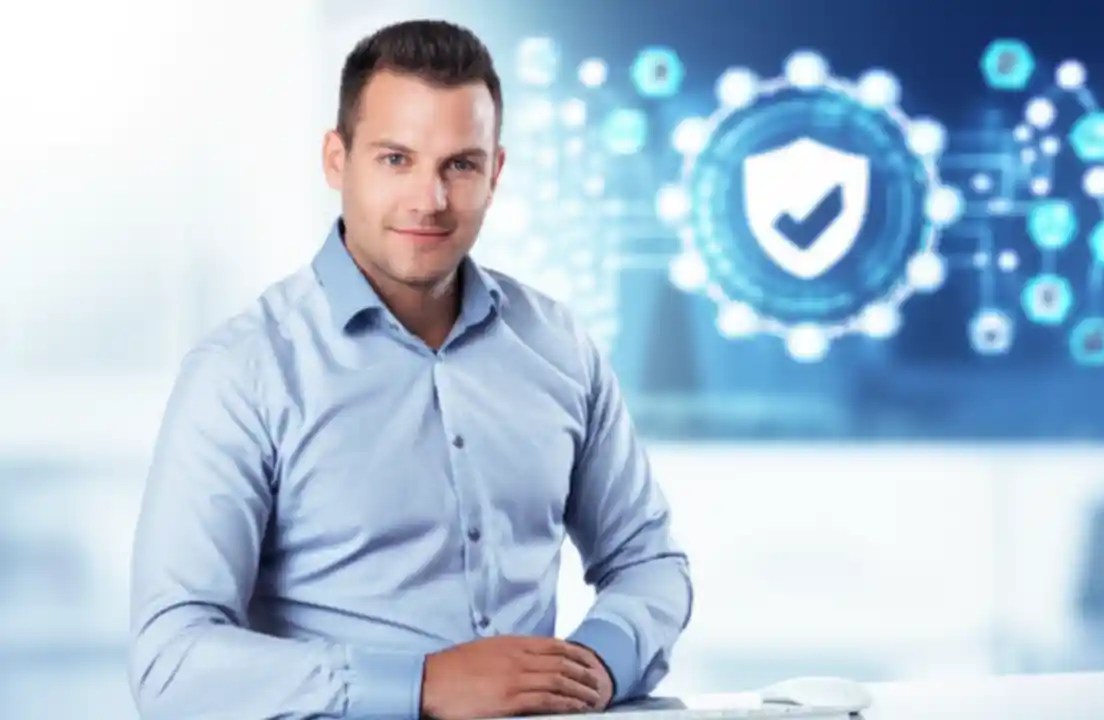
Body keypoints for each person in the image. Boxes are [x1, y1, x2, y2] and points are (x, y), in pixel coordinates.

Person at [128, 18, 693, 720]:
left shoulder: (558, 347)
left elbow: (649, 561)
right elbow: (171, 662)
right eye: (396, 159)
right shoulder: (242, 373)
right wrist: (421, 685)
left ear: (496, 172)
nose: (431, 200)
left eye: (460, 165)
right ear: (337, 160)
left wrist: (598, 665)